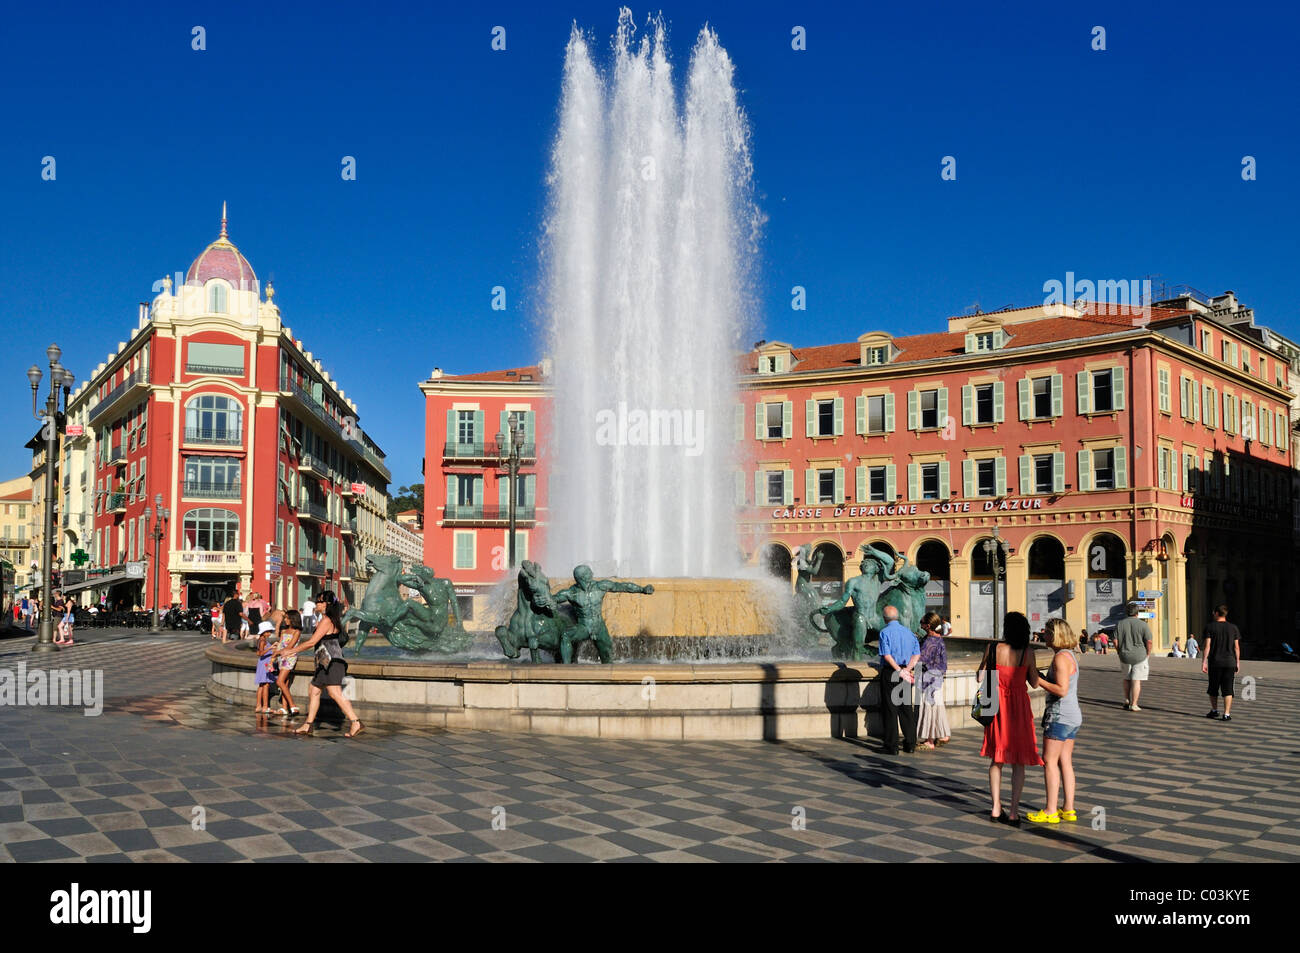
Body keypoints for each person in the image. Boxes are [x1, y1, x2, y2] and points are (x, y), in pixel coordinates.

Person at [980, 611, 1043, 826]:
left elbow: (981, 676)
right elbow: (1034, 683)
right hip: (1019, 710)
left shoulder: (993, 648)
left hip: (997, 707)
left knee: (997, 760)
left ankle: (996, 807)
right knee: (1018, 763)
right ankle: (1014, 811)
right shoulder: (1028, 652)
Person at [1027, 618, 1082, 825]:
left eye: (1048, 633)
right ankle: (1068, 808)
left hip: (1059, 715)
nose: (1045, 636)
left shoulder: (1060, 658)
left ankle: (1050, 810)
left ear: (1056, 635)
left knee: (1049, 761)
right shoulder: (1071, 656)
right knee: (1065, 761)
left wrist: (1039, 680)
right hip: (1072, 714)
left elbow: (1061, 689)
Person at [293, 592, 364, 738]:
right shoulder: (327, 619)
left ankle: (355, 722)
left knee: (334, 692)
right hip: (324, 662)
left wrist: (291, 651)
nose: (317, 604)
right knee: (314, 690)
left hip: (332, 662)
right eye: (317, 601)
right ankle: (308, 725)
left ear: (327, 604)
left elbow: (312, 642)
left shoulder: (327, 620)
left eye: (319, 602)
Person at [876, 604, 920, 755]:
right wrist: (907, 670)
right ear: (898, 617)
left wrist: (898, 670)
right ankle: (910, 744)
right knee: (906, 708)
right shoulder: (909, 632)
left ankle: (892, 745)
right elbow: (916, 654)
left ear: (884, 618)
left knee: (890, 708)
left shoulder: (884, 632)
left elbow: (886, 655)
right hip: (906, 672)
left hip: (891, 672)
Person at [915, 612, 950, 750]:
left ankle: (929, 740)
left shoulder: (929, 641)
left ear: (928, 625)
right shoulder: (939, 639)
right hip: (938, 678)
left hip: (928, 678)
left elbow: (920, 659)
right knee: (937, 707)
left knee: (928, 709)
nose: (920, 624)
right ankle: (943, 735)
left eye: (921, 622)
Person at [1202, 605, 1241, 722]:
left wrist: (1204, 661)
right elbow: (1237, 647)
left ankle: (1214, 711)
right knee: (1228, 688)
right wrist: (1238, 662)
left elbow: (1207, 646)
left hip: (1215, 662)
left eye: (1214, 613)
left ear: (1217, 613)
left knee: (1213, 687)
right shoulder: (1233, 628)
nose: (1213, 615)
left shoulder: (1210, 627)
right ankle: (1226, 714)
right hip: (1230, 662)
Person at [1114, 603, 1153, 711]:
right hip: (1139, 656)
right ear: (1137, 613)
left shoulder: (1120, 624)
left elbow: (1115, 640)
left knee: (1126, 679)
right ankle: (1134, 704)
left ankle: (1126, 699)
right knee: (1136, 680)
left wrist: (1119, 651)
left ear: (1127, 612)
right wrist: (1148, 653)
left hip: (1124, 655)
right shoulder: (1143, 625)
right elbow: (1149, 641)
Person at [268, 610, 302, 717]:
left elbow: (289, 647)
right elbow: (280, 645)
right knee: (285, 683)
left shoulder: (296, 632)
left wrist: (276, 653)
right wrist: (274, 655)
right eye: (285, 618)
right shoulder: (284, 631)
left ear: (293, 619)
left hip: (290, 658)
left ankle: (292, 705)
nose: (285, 620)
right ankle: (284, 708)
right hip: (281, 659)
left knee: (280, 681)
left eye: (287, 618)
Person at [253, 621, 277, 713]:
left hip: (263, 663)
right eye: (268, 631)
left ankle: (259, 706)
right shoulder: (262, 640)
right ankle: (265, 706)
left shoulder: (261, 639)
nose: (270, 633)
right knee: (266, 685)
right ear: (264, 631)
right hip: (265, 664)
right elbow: (259, 653)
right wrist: (270, 648)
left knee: (261, 685)